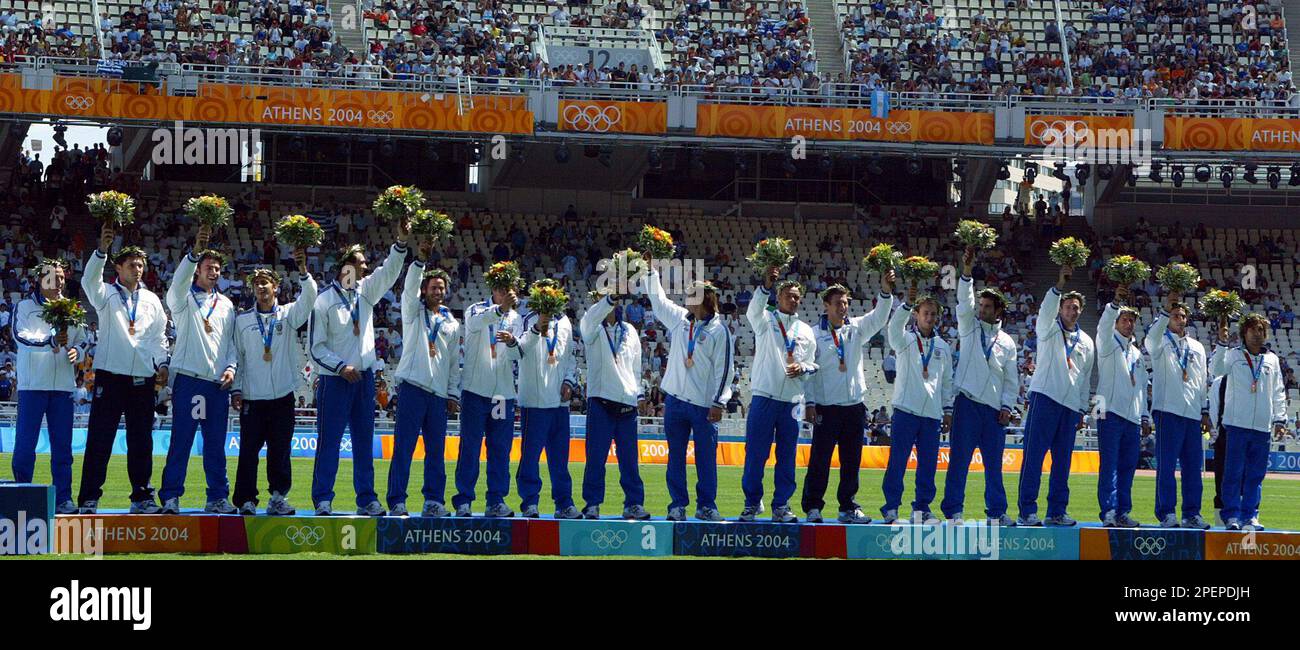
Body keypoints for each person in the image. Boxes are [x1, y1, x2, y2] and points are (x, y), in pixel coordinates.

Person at [309, 226, 409, 516]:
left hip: (364, 380)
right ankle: (323, 500)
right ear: (346, 267)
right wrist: (340, 367)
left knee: (364, 442)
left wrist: (401, 240)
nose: (366, 266)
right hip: (335, 381)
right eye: (361, 262)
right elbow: (315, 347)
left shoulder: (366, 291)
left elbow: (390, 271)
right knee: (329, 442)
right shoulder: (324, 300)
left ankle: (366, 499)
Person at [77, 224, 170, 514]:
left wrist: (162, 363)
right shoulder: (104, 293)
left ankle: (142, 497)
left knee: (141, 441)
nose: (138, 269)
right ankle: (89, 498)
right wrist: (101, 251)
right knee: (100, 439)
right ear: (118, 267)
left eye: (141, 265)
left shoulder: (152, 300)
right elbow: (88, 279)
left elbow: (159, 338)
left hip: (142, 379)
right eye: (132, 265)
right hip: (110, 376)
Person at [645, 254, 734, 521]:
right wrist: (651, 272)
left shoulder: (720, 331)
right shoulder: (681, 321)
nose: (686, 297)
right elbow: (659, 303)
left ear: (704, 298)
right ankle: (677, 505)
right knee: (675, 458)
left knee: (705, 459)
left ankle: (706, 505)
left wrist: (719, 402)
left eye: (691, 293)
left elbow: (725, 370)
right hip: (675, 401)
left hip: (704, 406)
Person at [229, 250, 317, 516]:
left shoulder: (289, 315)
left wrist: (303, 272)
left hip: (282, 396)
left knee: (279, 452)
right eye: (257, 284)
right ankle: (245, 500)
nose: (261, 287)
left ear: (276, 287)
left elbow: (310, 298)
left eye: (266, 283)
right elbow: (238, 356)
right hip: (253, 398)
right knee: (248, 452)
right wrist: (237, 388)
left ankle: (278, 497)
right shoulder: (243, 320)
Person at [159, 224, 239, 514]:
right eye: (208, 266)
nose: (214, 272)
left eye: (217, 268)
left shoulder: (227, 305)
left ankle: (217, 497)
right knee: (181, 442)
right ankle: (170, 497)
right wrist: (193, 253)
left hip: (216, 385)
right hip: (189, 382)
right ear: (197, 270)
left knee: (216, 446)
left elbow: (231, 344)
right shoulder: (182, 300)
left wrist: (231, 367)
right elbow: (176, 285)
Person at [801, 273, 893, 524]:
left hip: (854, 407)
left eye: (845, 303)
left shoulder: (856, 329)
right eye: (838, 303)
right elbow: (808, 371)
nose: (843, 307)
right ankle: (813, 507)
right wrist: (809, 403)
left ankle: (848, 507)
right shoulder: (812, 334)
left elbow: (879, 318)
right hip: (825, 407)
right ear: (826, 306)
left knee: (851, 461)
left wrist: (885, 292)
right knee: (820, 460)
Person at [942, 249, 1019, 526]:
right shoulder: (968, 327)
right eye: (981, 306)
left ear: (998, 310)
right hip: (967, 404)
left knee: (994, 467)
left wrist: (1008, 406)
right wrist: (966, 271)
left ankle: (997, 513)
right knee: (959, 462)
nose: (981, 310)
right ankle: (953, 512)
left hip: (994, 411)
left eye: (987, 307)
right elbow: (964, 302)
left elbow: (1012, 380)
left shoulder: (1008, 342)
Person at [385, 240, 461, 517]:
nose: (438, 291)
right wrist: (419, 261)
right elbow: (408, 290)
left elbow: (454, 363)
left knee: (436, 453)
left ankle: (433, 501)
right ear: (424, 290)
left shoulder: (452, 323)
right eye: (433, 287)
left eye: (441, 288)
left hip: (438, 395)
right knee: (403, 449)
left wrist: (453, 393)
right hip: (413, 389)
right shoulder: (412, 312)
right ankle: (397, 502)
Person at [1017, 263, 1094, 526]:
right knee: (1034, 458)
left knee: (1062, 463)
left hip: (1070, 407)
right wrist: (1059, 285)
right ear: (1060, 308)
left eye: (1076, 308)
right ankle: (1027, 510)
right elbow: (1045, 310)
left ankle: (1056, 512)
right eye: (1068, 306)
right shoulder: (1048, 329)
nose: (1072, 311)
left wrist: (1082, 408)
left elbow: (1084, 379)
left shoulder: (1087, 342)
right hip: (1044, 399)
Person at [740, 268, 817, 523]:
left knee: (787, 456)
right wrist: (765, 285)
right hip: (764, 396)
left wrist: (803, 367)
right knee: (756, 454)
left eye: (796, 296)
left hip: (793, 401)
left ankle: (781, 505)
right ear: (778, 297)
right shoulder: (765, 320)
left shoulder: (807, 331)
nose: (792, 300)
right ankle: (752, 503)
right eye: (787, 295)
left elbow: (812, 363)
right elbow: (752, 310)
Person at [12, 258, 88, 514]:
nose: (59, 283)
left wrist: (78, 350)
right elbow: (20, 336)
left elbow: (84, 340)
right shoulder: (24, 307)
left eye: (62, 278)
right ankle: (22, 496)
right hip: (33, 386)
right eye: (53, 278)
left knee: (63, 448)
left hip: (63, 387)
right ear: (39, 279)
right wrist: (50, 339)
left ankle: (63, 499)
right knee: (24, 446)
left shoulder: (72, 309)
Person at [452, 264, 523, 518]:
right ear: (493, 288)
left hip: (502, 394)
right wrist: (500, 310)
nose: (505, 291)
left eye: (509, 288)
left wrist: (514, 342)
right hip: (474, 391)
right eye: (501, 288)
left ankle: (496, 500)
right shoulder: (475, 309)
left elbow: (517, 355)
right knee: (469, 447)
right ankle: (464, 500)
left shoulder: (516, 318)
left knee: (500, 448)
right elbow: (476, 323)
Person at [880, 286, 954, 524]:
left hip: (932, 415)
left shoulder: (942, 346)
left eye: (933, 314)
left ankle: (921, 509)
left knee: (928, 467)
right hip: (905, 410)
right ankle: (891, 507)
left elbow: (946, 382)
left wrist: (948, 410)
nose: (929, 317)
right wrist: (905, 305)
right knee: (898, 462)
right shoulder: (905, 340)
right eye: (925, 313)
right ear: (916, 314)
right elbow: (892, 330)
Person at [1210, 313, 1287, 531]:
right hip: (1237, 424)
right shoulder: (1233, 356)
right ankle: (1232, 515)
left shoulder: (1272, 360)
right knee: (1233, 472)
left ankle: (1250, 515)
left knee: (1255, 475)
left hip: (1262, 427)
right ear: (1244, 333)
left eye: (1261, 330)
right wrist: (1222, 343)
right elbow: (1216, 370)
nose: (1257, 334)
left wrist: (1280, 419)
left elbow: (1278, 392)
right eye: (1253, 329)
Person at [578, 296, 649, 520]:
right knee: (596, 458)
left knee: (629, 460)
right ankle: (592, 504)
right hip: (601, 401)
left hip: (627, 403)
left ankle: (634, 504)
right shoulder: (591, 326)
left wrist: (639, 394)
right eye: (604, 298)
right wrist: (608, 298)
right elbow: (591, 319)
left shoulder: (629, 330)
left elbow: (636, 366)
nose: (611, 303)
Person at [1145, 290, 1212, 529]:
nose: (1179, 319)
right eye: (1175, 315)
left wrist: (1205, 411)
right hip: (1167, 411)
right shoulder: (1159, 342)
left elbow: (1203, 380)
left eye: (1182, 315)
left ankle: (1192, 513)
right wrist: (1165, 308)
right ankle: (1166, 513)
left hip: (1193, 414)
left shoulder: (1197, 347)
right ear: (1167, 317)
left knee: (1193, 468)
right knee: (1166, 466)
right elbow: (1149, 338)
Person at [514, 282, 579, 518]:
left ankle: (564, 503)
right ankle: (530, 502)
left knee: (560, 458)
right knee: (530, 456)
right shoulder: (525, 318)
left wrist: (569, 381)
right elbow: (518, 350)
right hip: (534, 400)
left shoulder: (565, 322)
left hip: (559, 403)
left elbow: (571, 355)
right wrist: (536, 328)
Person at [1094, 283, 1149, 528]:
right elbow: (1103, 326)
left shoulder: (1136, 353)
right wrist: (1114, 304)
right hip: (1109, 411)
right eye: (1124, 319)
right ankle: (1108, 511)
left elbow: (1142, 387)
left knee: (1127, 467)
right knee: (1110, 465)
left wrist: (1145, 416)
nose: (1129, 324)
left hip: (1133, 417)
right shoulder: (1107, 343)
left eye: (1132, 321)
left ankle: (1123, 512)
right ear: (1116, 323)